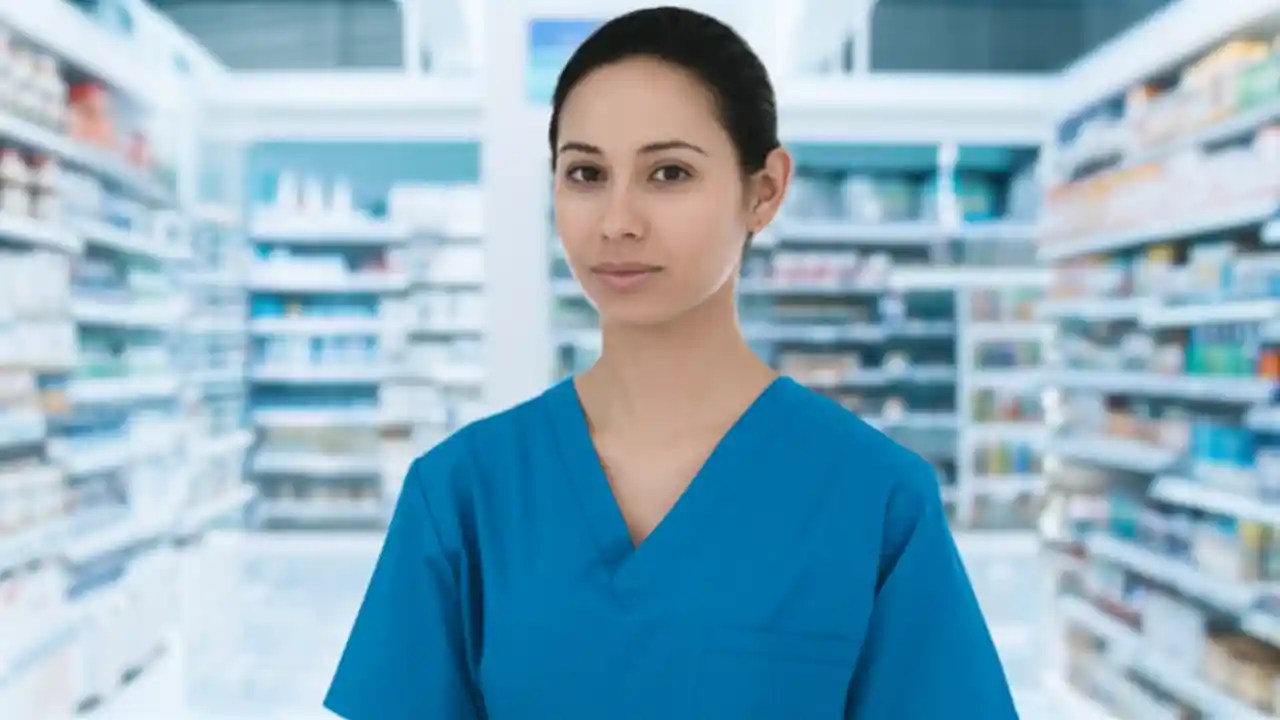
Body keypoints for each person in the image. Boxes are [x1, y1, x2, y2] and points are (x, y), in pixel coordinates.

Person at [324, 6, 1018, 719]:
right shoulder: (464, 495)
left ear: (764, 191)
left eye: (669, 172)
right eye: (586, 173)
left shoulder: (876, 501)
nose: (618, 221)